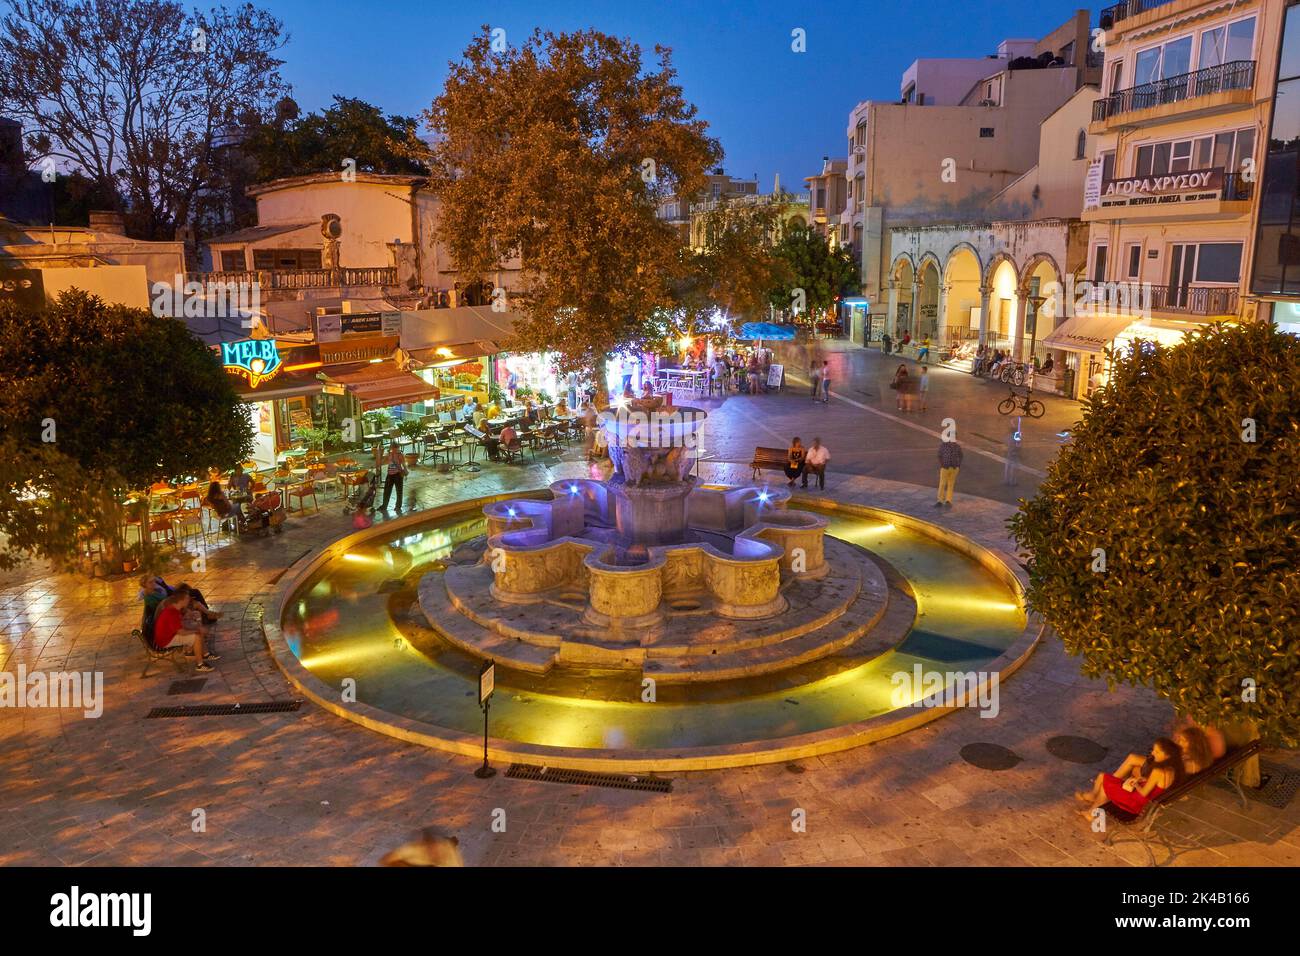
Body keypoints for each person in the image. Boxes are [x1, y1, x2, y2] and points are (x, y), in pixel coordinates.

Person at [1076, 738, 1181, 821]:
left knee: (1106, 782)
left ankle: (1092, 812)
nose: (1153, 753)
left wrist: (1135, 784)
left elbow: (1144, 793)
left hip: (1136, 804)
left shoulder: (1158, 771)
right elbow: (1157, 786)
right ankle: (1091, 812)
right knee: (1107, 781)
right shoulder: (1171, 770)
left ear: (1167, 755)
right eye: (1154, 750)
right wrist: (1142, 780)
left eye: (1157, 752)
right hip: (1147, 803)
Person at [152, 589, 218, 671]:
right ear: (181, 600)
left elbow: (180, 625)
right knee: (196, 636)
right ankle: (200, 665)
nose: (189, 599)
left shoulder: (174, 608)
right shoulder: (172, 613)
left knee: (196, 630)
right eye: (187, 598)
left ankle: (205, 654)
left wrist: (196, 627)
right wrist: (197, 630)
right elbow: (181, 632)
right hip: (165, 640)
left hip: (169, 635)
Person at [379, 441, 407, 512]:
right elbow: (382, 462)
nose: (394, 449)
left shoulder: (400, 455)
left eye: (395, 448)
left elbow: (403, 464)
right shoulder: (389, 454)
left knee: (399, 491)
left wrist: (405, 471)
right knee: (387, 491)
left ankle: (398, 506)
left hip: (398, 474)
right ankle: (384, 506)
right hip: (390, 474)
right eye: (393, 448)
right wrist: (380, 455)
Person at [936, 437, 962, 508]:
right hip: (945, 467)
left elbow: (960, 456)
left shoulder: (957, 446)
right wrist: (942, 464)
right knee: (942, 484)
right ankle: (940, 500)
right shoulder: (944, 446)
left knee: (951, 484)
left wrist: (958, 465)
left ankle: (948, 500)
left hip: (954, 468)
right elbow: (939, 455)